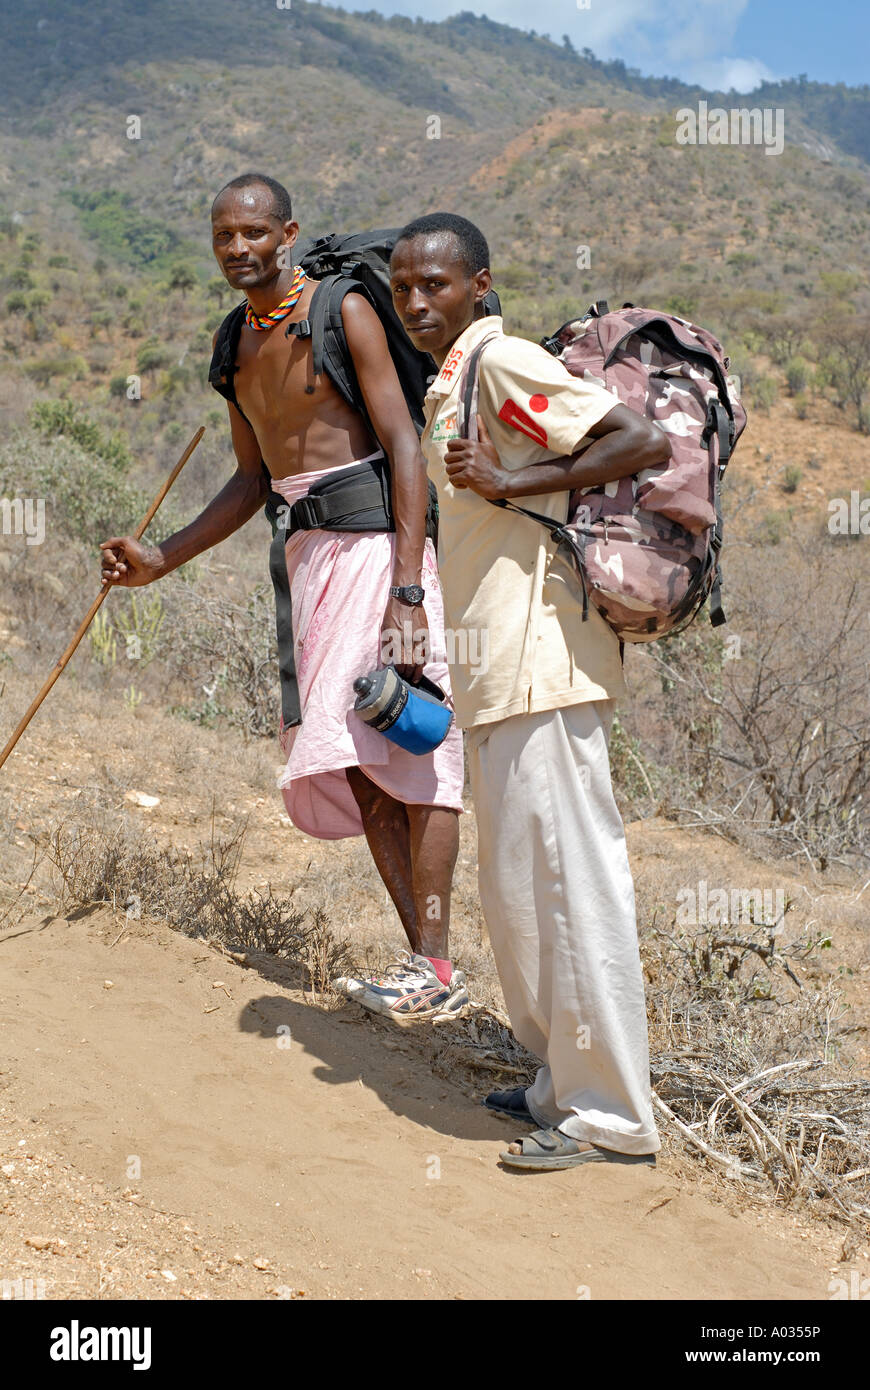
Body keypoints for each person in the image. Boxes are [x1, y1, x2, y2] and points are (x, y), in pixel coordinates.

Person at [99, 175, 467, 1023]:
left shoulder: (343, 312)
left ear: (287, 232)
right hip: (307, 559)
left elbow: (404, 446)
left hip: (380, 550)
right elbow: (252, 478)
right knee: (355, 756)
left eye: (254, 232)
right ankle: (425, 966)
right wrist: (163, 557)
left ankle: (438, 963)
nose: (237, 249)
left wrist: (409, 589)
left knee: (415, 742)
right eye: (223, 235)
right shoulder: (234, 344)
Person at [389, 212, 668, 1167]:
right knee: (522, 895)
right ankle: (561, 1086)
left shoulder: (500, 361)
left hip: (545, 661)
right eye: (403, 289)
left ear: (479, 283)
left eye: (436, 285)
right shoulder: (456, 380)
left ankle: (614, 1117)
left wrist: (515, 485)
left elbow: (640, 439)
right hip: (502, 670)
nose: (418, 302)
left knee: (569, 886)